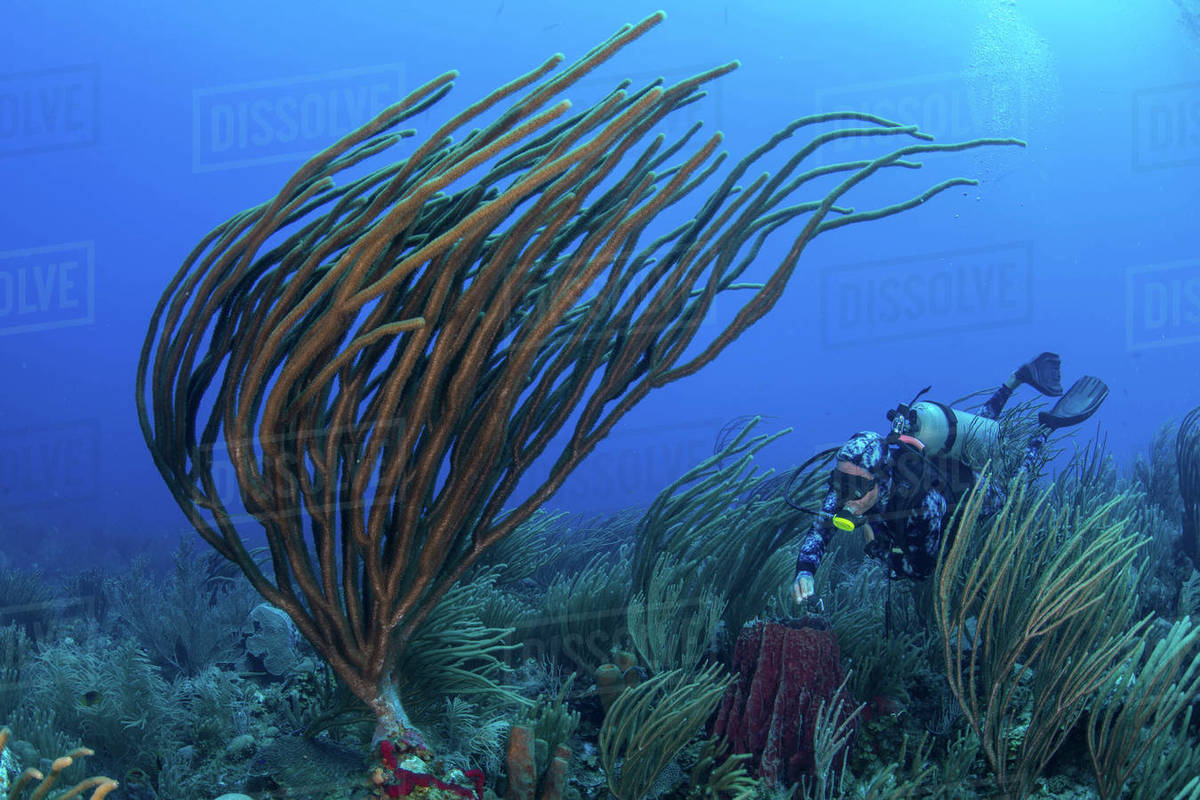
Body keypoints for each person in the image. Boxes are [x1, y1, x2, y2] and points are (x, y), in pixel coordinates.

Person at [791, 353, 1110, 604]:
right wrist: (805, 571)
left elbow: (922, 569)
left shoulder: (921, 501)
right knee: (978, 429)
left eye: (856, 487)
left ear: (882, 476)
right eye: (839, 483)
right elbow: (820, 528)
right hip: (941, 463)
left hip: (971, 493)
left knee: (1015, 486)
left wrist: (877, 548)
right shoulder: (852, 483)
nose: (845, 497)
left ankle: (1046, 427)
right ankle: (1014, 380)